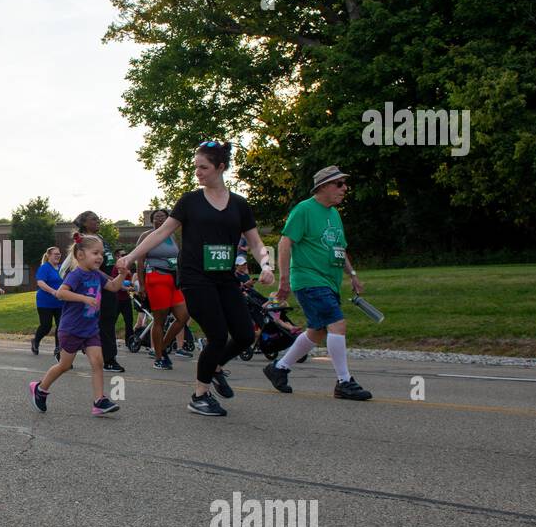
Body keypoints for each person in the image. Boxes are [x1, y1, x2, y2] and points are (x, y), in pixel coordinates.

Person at [118, 141, 275, 417]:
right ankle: (199, 394)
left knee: (244, 334)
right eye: (196, 167)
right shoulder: (190, 201)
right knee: (216, 334)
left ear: (221, 167)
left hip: (225, 278)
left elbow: (255, 241)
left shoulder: (239, 204)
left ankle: (214, 366)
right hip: (194, 277)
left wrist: (266, 264)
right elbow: (159, 233)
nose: (198, 173)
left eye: (203, 167)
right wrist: (130, 258)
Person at [263, 166, 372, 400]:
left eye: (344, 184)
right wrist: (284, 279)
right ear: (323, 187)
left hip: (329, 281)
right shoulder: (304, 210)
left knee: (317, 331)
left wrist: (352, 274)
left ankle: (278, 368)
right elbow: (285, 243)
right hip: (309, 279)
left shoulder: (334, 214)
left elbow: (339, 249)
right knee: (337, 324)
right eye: (339, 184)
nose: (344, 188)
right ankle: (344, 382)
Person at [29, 236, 129, 416]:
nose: (100, 257)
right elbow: (61, 293)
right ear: (81, 255)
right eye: (95, 253)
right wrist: (84, 298)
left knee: (98, 362)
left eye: (101, 254)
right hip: (71, 328)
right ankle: (40, 388)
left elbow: (114, 287)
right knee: (64, 365)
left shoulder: (97, 274)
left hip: (90, 328)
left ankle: (99, 401)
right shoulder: (76, 274)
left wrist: (122, 274)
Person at [62, 212, 123, 374]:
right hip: (94, 287)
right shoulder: (82, 241)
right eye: (93, 219)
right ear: (84, 223)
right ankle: (108, 359)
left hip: (106, 285)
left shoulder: (100, 238)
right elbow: (86, 267)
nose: (98, 221)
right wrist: (110, 278)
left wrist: (121, 276)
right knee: (91, 322)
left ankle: (106, 357)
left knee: (107, 321)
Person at [138, 209, 191, 371]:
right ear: (152, 220)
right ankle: (159, 358)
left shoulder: (172, 236)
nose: (160, 219)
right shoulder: (146, 236)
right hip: (156, 278)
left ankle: (162, 347)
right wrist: (141, 284)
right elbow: (140, 261)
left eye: (163, 216)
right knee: (159, 320)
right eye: (157, 217)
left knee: (183, 316)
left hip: (173, 279)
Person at [31, 246, 63, 359]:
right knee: (46, 326)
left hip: (60, 303)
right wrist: (53, 292)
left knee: (61, 327)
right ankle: (35, 340)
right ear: (49, 256)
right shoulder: (45, 268)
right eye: (55, 254)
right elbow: (40, 283)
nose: (58, 256)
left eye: (59, 254)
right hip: (45, 302)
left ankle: (58, 350)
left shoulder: (61, 268)